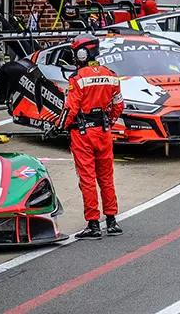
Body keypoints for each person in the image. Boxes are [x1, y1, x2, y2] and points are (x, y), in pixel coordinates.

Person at [53, 33, 123, 239]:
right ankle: (111, 221)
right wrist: (108, 121)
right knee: (106, 177)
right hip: (103, 132)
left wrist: (59, 126)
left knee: (87, 178)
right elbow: (118, 106)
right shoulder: (111, 75)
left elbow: (70, 108)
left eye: (76, 52)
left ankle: (93, 225)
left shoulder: (78, 78)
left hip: (82, 133)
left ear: (83, 53)